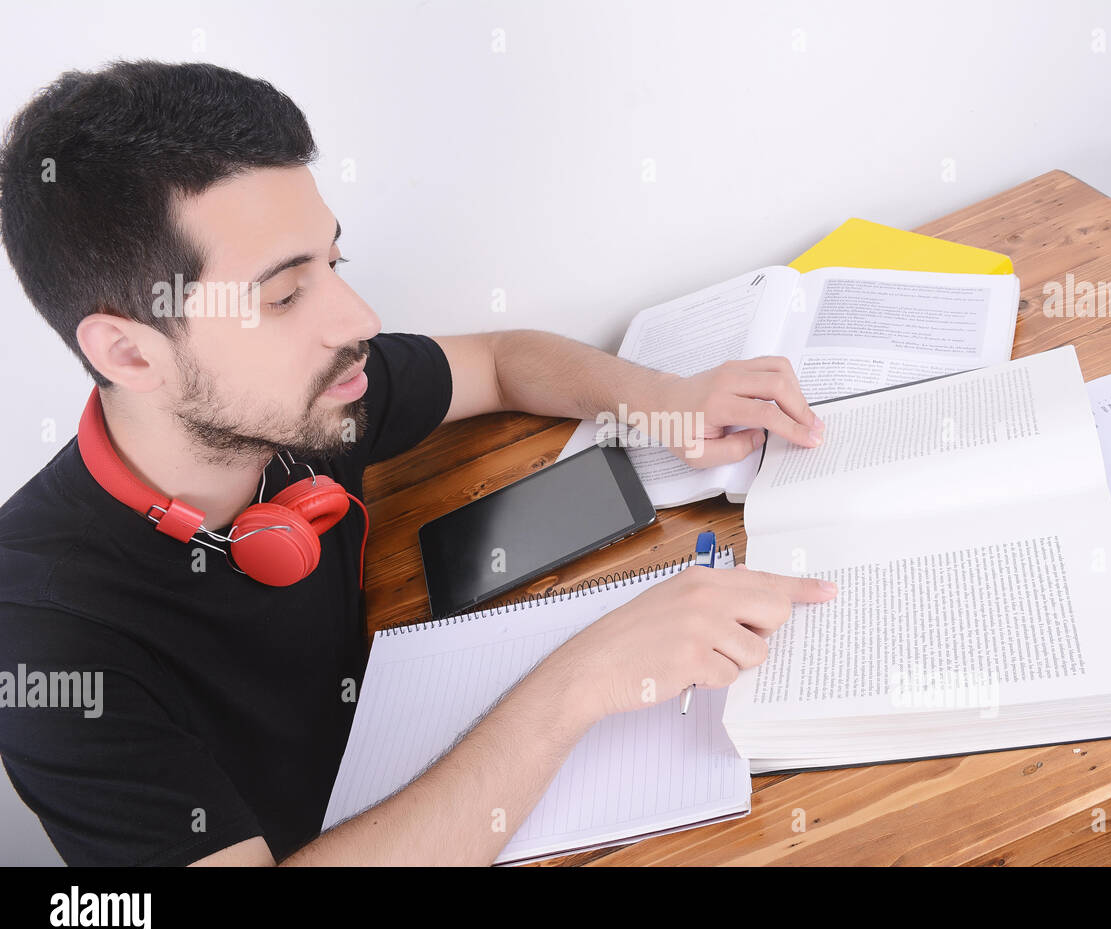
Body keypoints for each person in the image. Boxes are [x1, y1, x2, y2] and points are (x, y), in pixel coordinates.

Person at [0, 59, 835, 866]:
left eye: (335, 261)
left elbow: (505, 357)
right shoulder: (42, 643)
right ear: (130, 354)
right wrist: (581, 683)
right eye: (286, 295)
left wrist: (661, 398)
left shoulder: (312, 397)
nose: (356, 317)